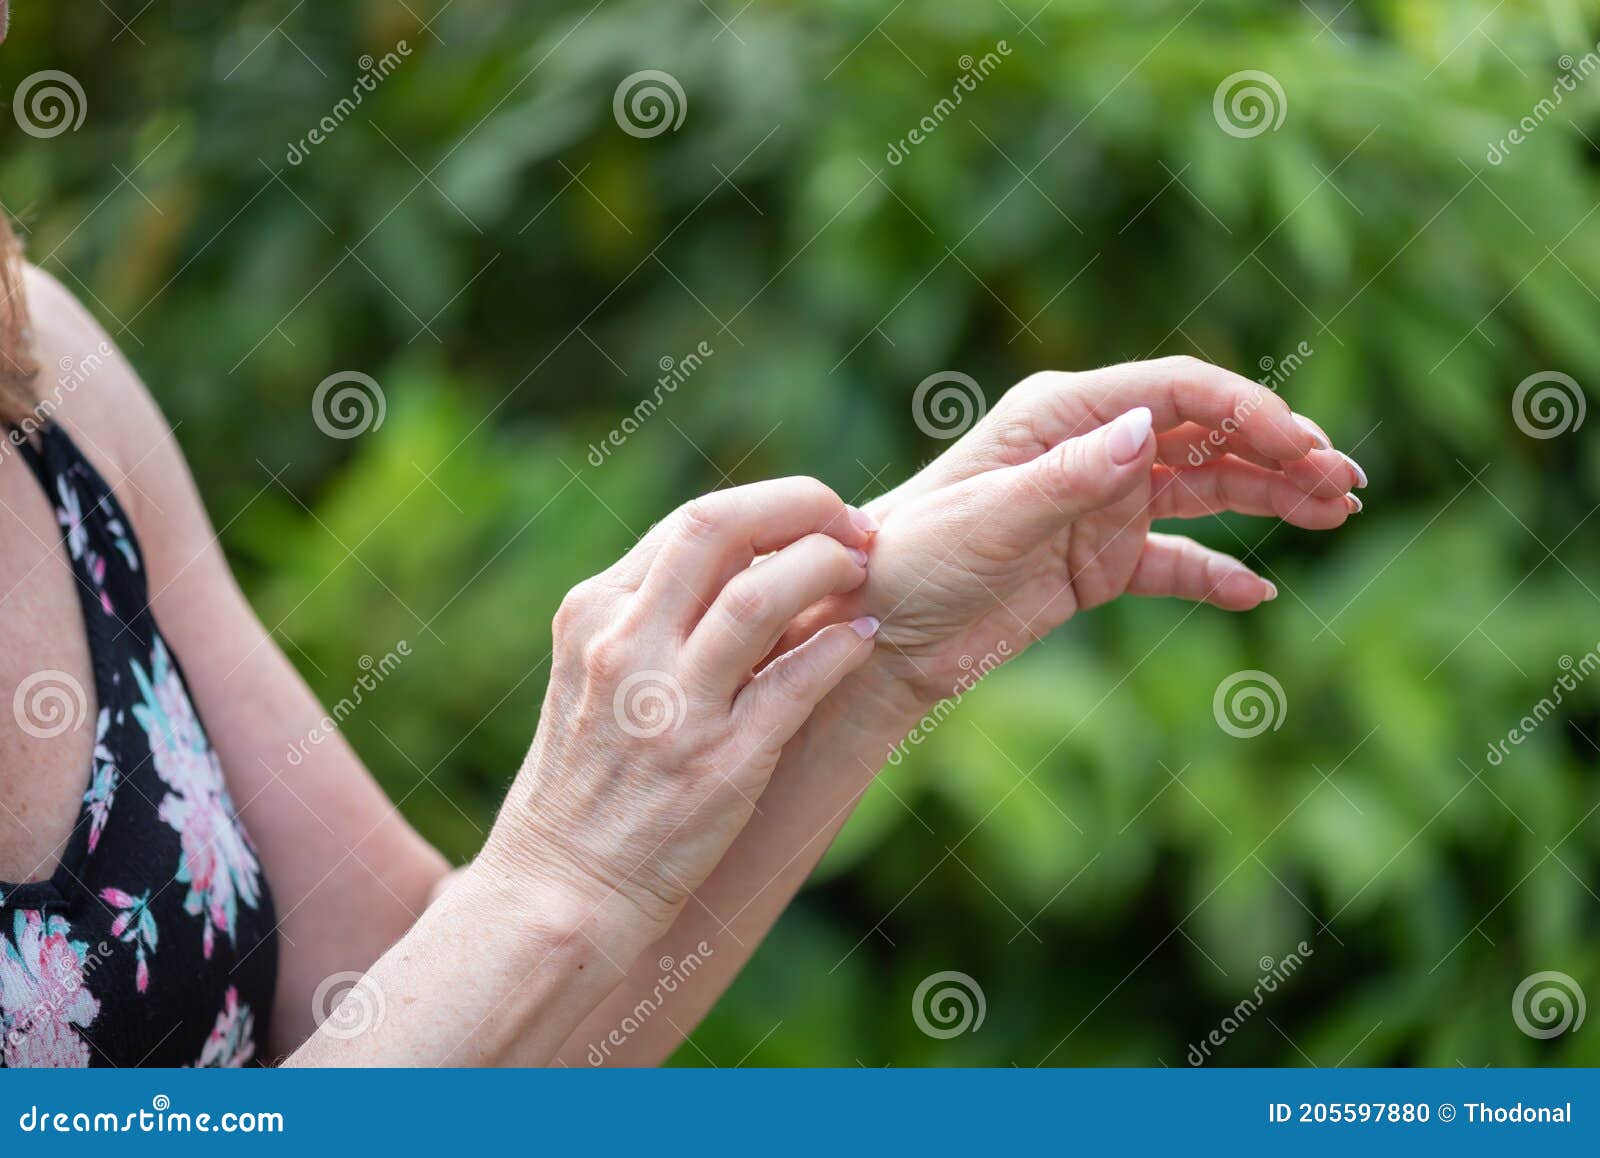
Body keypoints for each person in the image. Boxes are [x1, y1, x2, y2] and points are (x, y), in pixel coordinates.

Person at [0, 217, 1364, 1065]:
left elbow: (444, 1019)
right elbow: (504, 963)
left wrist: (870, 648)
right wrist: (558, 871)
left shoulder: (43, 374)